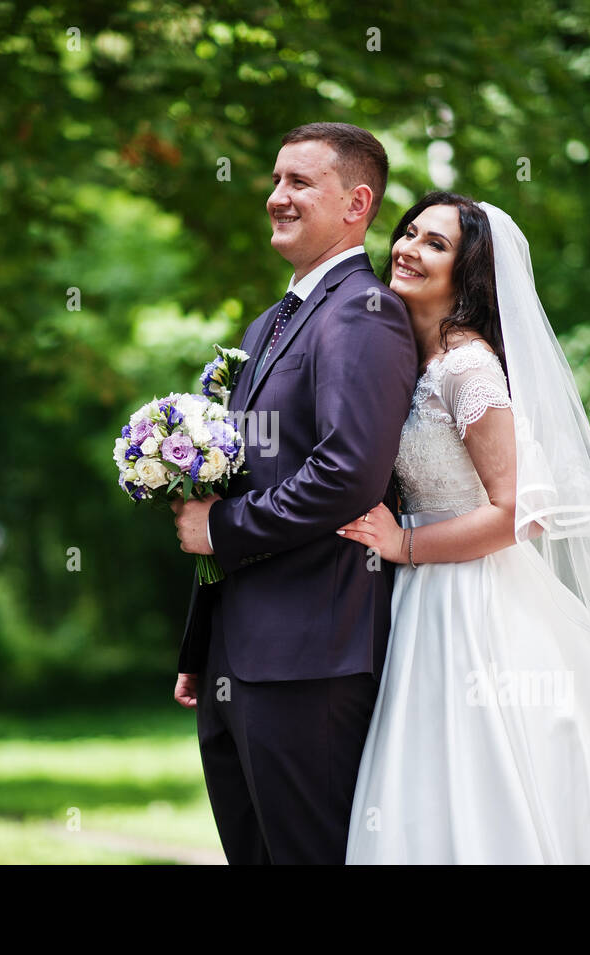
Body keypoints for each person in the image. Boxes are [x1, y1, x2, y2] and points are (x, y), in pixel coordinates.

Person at [337, 192, 590, 864]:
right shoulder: (414, 358)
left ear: (466, 271)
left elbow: (519, 512)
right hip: (424, 598)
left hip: (474, 603)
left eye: (434, 243)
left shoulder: (466, 365)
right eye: (408, 233)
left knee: (484, 769)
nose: (407, 248)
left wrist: (404, 543)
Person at [170, 122, 417, 864]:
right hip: (239, 654)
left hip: (313, 654)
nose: (276, 197)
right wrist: (201, 638)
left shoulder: (363, 315)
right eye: (275, 181)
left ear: (357, 202)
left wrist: (222, 529)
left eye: (298, 183)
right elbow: (244, 475)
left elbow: (349, 473)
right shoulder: (268, 323)